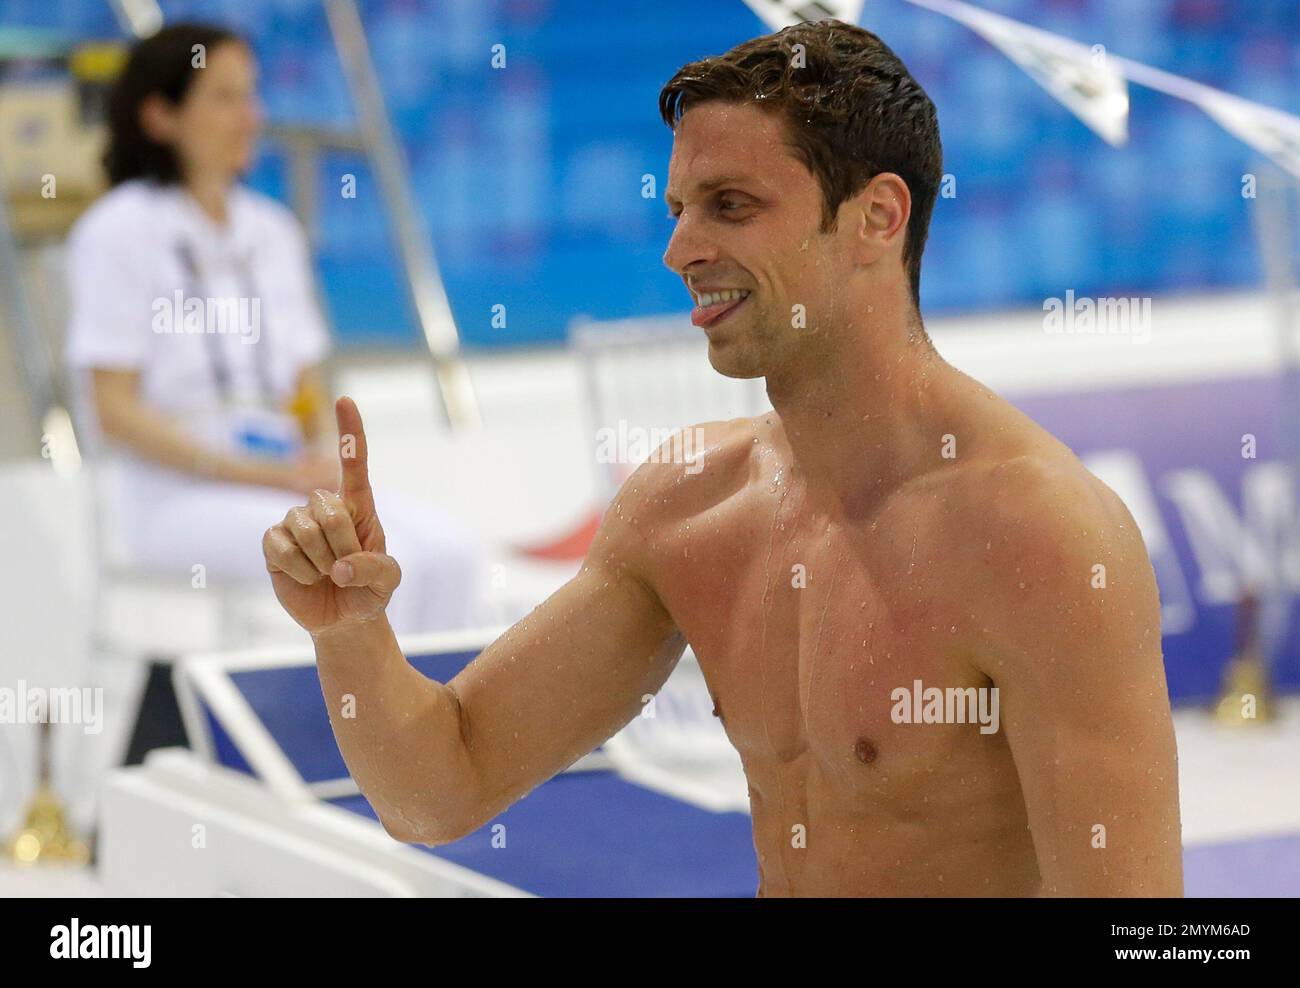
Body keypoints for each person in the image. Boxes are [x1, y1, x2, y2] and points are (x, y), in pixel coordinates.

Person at [262, 21, 1183, 896]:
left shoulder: (1037, 535)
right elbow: (439, 790)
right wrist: (349, 634)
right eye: (679, 210)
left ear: (876, 218)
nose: (679, 251)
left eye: (730, 207)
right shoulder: (691, 507)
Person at [65, 23, 483, 648]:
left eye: (252, 95)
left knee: (452, 553)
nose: (250, 117)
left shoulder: (272, 230)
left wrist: (311, 461)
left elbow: (304, 389)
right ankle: (362, 736)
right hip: (177, 498)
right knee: (389, 570)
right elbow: (113, 412)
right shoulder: (116, 231)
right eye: (225, 98)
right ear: (160, 116)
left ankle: (429, 742)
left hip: (282, 481)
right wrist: (250, 473)